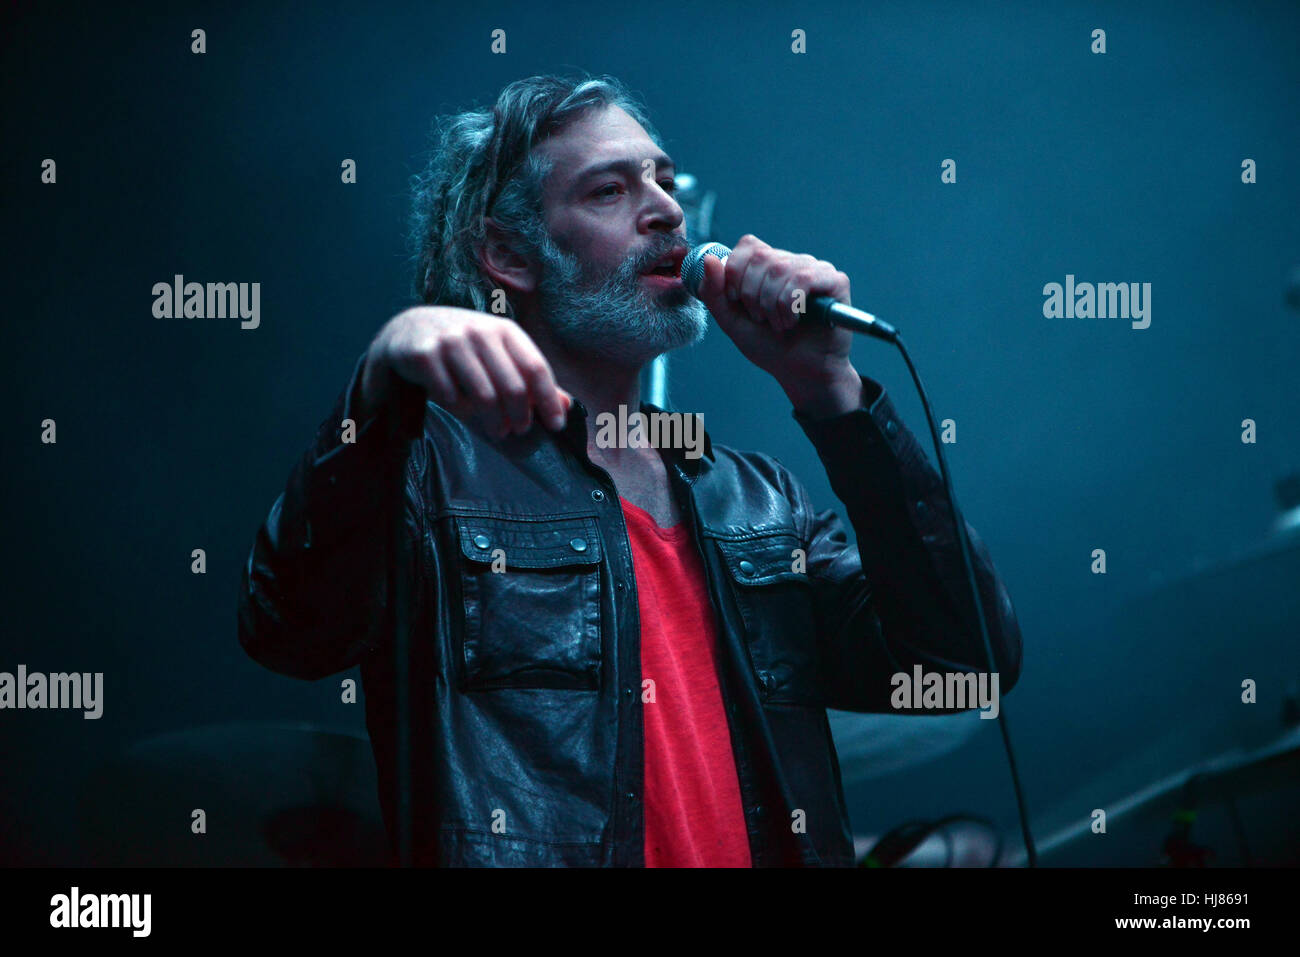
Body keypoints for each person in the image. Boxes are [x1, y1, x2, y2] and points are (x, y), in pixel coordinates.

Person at [236, 74, 1023, 867]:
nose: (667, 210)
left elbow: (965, 663)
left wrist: (833, 395)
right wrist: (377, 386)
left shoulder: (755, 498)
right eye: (610, 190)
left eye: (665, 180)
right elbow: (289, 628)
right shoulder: (427, 471)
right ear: (508, 253)